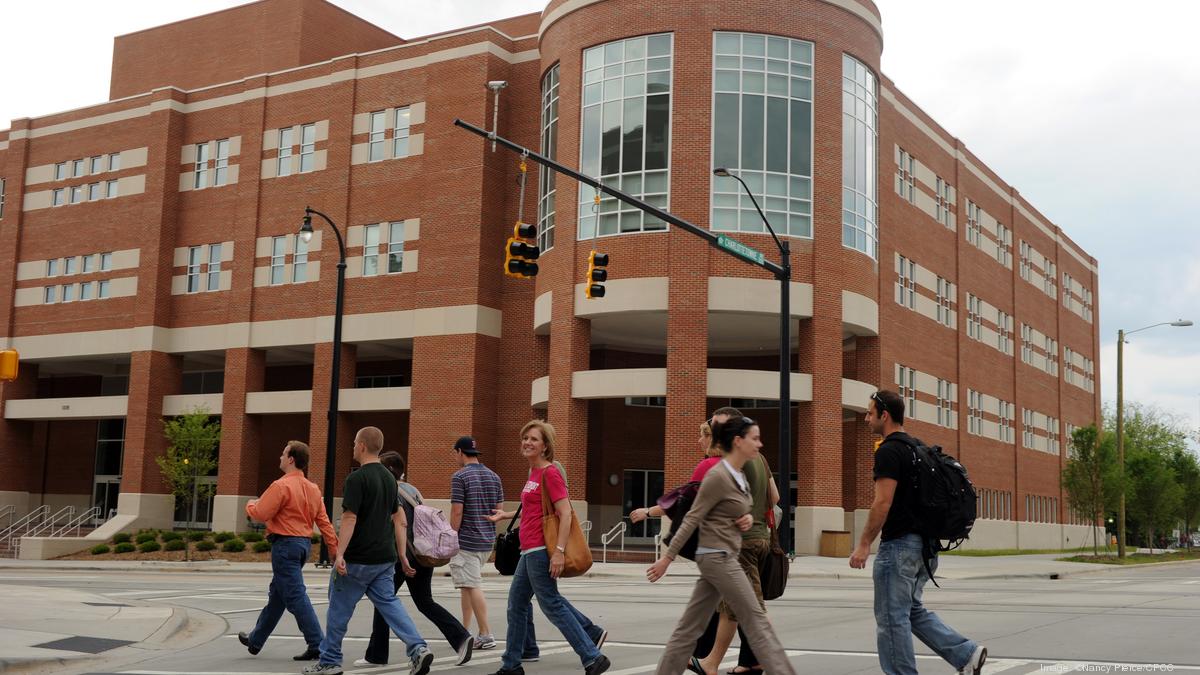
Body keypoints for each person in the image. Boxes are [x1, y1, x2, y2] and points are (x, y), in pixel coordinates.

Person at [849, 390, 988, 675]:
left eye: (869, 412)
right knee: (909, 611)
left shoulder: (889, 450)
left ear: (884, 415)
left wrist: (863, 544)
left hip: (899, 548)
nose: (866, 418)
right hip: (925, 548)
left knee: (891, 619)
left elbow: (882, 502)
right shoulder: (918, 447)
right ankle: (967, 653)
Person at [646, 416, 795, 675]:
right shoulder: (717, 474)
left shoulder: (738, 475)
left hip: (724, 556)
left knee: (687, 631)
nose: (760, 444)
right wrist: (666, 559)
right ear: (738, 441)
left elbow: (737, 510)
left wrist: (745, 518)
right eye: (755, 438)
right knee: (757, 622)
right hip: (718, 559)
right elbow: (692, 517)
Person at [304, 426, 433, 675]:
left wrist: (340, 554)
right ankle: (417, 648)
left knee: (339, 609)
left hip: (357, 559)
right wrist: (403, 556)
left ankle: (330, 661)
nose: (353, 447)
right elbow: (400, 519)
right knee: (390, 604)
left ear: (362, 446)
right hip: (385, 559)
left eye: (354, 443)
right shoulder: (389, 478)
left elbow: (350, 518)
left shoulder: (356, 478)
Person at [485, 420, 611, 675]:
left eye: (533, 439)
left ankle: (592, 657)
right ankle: (511, 665)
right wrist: (506, 515)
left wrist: (559, 552)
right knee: (517, 604)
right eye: (525, 438)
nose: (527, 442)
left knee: (551, 604)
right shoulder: (533, 472)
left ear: (545, 446)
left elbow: (564, 514)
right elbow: (534, 512)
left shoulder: (550, 473)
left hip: (541, 550)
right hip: (528, 548)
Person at [630, 407, 741, 661]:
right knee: (727, 601)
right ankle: (715, 655)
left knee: (714, 603)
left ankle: (699, 655)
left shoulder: (706, 467)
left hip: (713, 545)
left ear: (711, 439)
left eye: (702, 436)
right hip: (734, 543)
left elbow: (683, 508)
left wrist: (667, 553)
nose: (698, 441)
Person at [353, 451, 473, 668]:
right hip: (422, 554)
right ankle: (461, 637)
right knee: (425, 601)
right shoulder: (413, 490)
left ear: (387, 471)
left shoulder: (388, 490)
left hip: (400, 556)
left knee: (384, 601)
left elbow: (395, 523)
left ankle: (377, 655)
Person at [239, 441, 339, 661]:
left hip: (285, 546)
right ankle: (256, 640)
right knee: (278, 595)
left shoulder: (281, 486)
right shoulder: (313, 489)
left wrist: (250, 504)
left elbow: (261, 513)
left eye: (284, 454)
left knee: (294, 595)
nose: (280, 458)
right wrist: (334, 549)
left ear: (292, 459)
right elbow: (324, 522)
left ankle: (317, 644)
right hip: (302, 546)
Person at [694, 442, 780, 675]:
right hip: (760, 539)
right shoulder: (760, 457)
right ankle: (748, 660)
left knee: (746, 608)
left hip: (739, 543)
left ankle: (713, 663)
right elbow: (775, 496)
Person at [446, 436, 505, 650]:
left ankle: (486, 634)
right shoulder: (494, 476)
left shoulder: (459, 477)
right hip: (486, 540)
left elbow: (457, 510)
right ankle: (465, 630)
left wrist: (451, 535)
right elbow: (498, 509)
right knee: (467, 586)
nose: (455, 457)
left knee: (472, 585)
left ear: (461, 452)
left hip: (467, 540)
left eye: (455, 453)